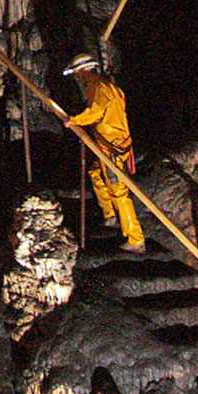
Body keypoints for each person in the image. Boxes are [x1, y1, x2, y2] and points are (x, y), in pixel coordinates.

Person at [63, 53, 142, 250]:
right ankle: (110, 215)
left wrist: (74, 121)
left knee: (119, 192)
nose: (76, 79)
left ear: (83, 71)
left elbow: (96, 112)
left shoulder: (98, 87)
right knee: (95, 173)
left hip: (112, 148)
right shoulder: (104, 85)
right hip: (110, 144)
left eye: (76, 74)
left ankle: (135, 239)